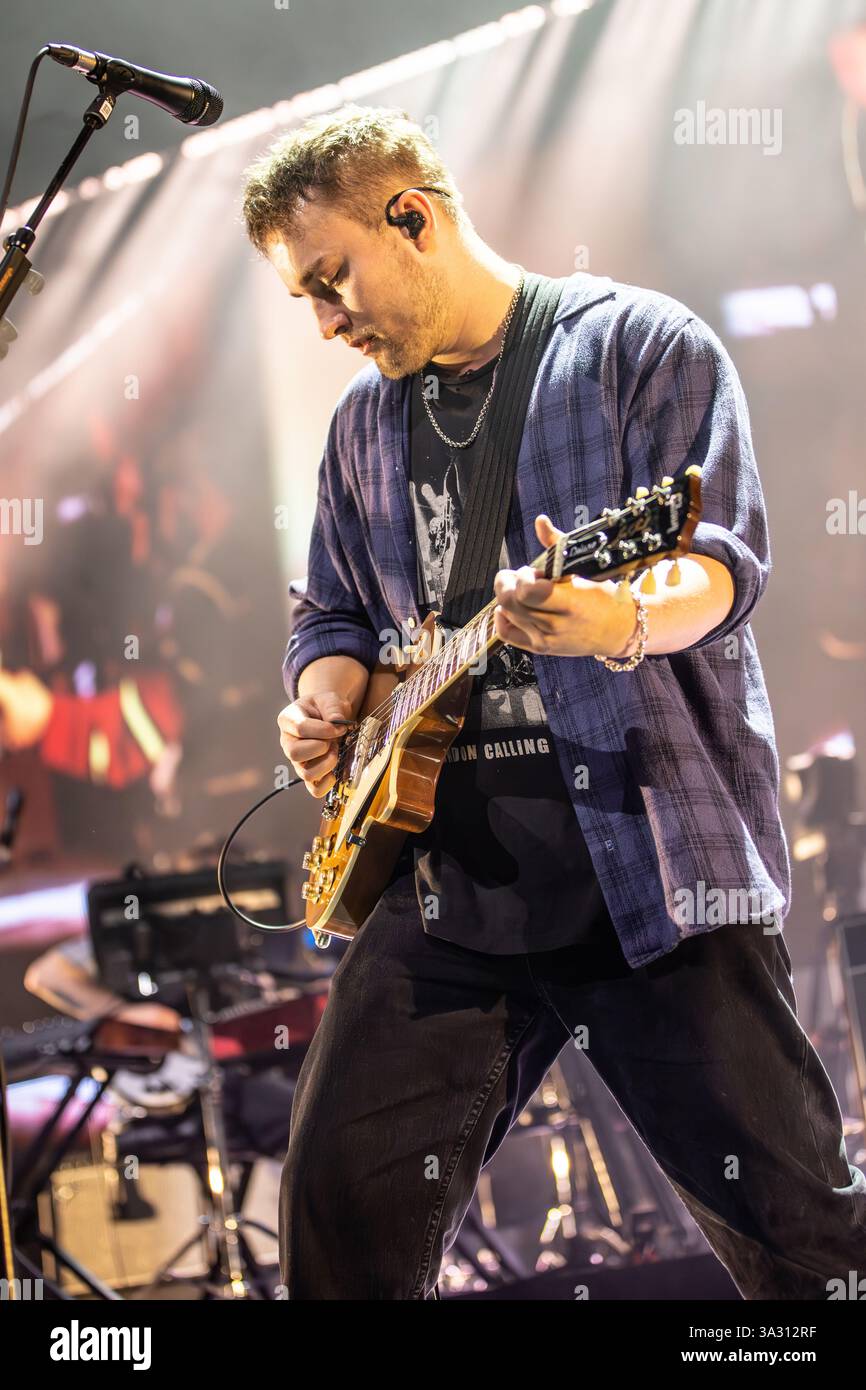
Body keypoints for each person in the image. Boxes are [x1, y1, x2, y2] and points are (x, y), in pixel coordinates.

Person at [241, 105, 866, 1300]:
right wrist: (325, 703)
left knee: (804, 1246)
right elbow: (328, 616)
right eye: (304, 301)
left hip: (651, 878)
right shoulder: (363, 427)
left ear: (410, 216)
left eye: (332, 280)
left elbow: (718, 565)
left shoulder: (639, 345)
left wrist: (614, 619)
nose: (326, 322)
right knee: (335, 1225)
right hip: (449, 892)